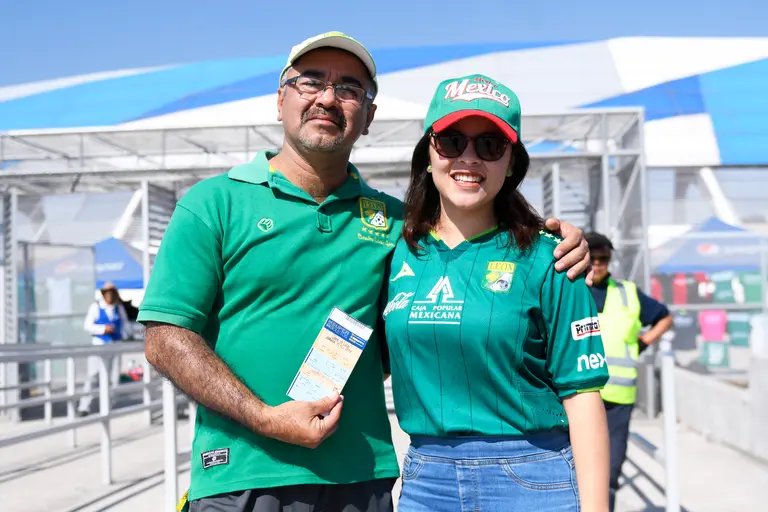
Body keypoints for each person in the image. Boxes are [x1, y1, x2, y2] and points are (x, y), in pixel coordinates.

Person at [138, 32, 593, 512]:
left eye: (349, 88)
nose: (328, 98)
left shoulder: (400, 225)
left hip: (361, 481)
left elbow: (466, 255)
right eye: (311, 81)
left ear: (369, 116)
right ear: (280, 100)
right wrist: (265, 417)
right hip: (241, 477)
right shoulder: (213, 203)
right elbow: (164, 338)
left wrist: (555, 238)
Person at [382, 74, 611, 512]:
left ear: (510, 164)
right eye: (451, 141)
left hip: (534, 479)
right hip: (426, 483)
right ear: (428, 153)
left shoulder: (553, 258)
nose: (468, 158)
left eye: (490, 145)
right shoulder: (394, 253)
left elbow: (582, 396)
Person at [585, 232, 674, 512]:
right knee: (579, 467)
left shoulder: (627, 293)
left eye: (603, 259)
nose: (597, 264)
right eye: (592, 258)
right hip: (579, 395)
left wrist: (645, 341)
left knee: (610, 470)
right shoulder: (570, 289)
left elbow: (664, 317)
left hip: (618, 398)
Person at [78, 281, 131, 416]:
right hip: (99, 344)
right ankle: (84, 406)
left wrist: (125, 335)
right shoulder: (96, 307)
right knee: (93, 375)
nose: (110, 295)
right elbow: (87, 326)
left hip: (115, 344)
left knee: (114, 378)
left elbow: (125, 324)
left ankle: (108, 406)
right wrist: (103, 329)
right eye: (107, 293)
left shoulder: (119, 308)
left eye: (112, 293)